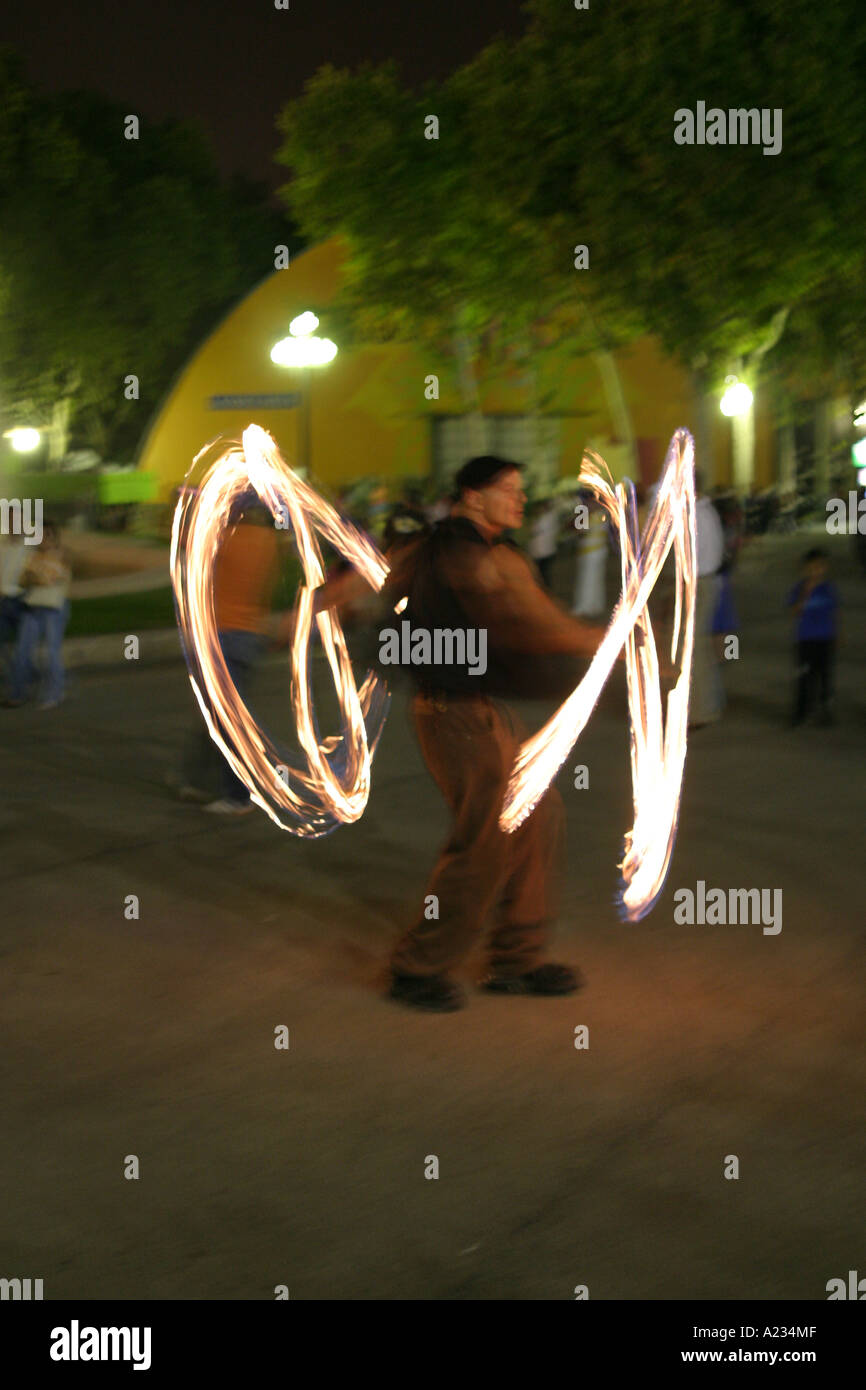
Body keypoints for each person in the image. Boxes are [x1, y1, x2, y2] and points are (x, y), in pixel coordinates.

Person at [317, 455, 610, 1012]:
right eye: (508, 490)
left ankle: (515, 959)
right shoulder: (466, 554)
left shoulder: (457, 546)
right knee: (484, 839)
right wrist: (598, 639)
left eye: (522, 490)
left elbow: (377, 568)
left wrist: (323, 604)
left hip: (483, 712)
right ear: (472, 496)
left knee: (537, 816)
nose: (520, 500)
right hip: (453, 716)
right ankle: (417, 967)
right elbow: (534, 619)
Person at [178, 496, 279, 813]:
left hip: (220, 636)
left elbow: (193, 572)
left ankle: (237, 795)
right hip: (249, 636)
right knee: (218, 713)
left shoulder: (221, 538)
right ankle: (195, 780)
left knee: (227, 720)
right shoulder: (268, 542)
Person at [2, 522, 71, 710]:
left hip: (53, 609)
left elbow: (49, 579)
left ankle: (54, 692)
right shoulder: (33, 556)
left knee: (51, 653)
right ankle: (17, 694)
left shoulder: (62, 555)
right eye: (40, 535)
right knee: (22, 651)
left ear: (55, 538)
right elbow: (24, 580)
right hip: (32, 607)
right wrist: (36, 575)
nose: (43, 539)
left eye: (48, 535)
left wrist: (36, 574)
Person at [787, 548, 839, 726]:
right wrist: (805, 593)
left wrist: (838, 633)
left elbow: (834, 611)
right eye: (812, 567)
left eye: (820, 566)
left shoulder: (828, 589)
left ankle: (825, 710)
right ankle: (801, 711)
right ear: (805, 568)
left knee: (825, 676)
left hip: (825, 639)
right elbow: (795, 611)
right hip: (805, 640)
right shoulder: (799, 588)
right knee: (804, 676)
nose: (816, 570)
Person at [691, 473, 725, 728]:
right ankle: (708, 705)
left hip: (700, 584)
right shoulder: (708, 512)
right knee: (698, 648)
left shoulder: (697, 516)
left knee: (696, 649)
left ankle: (702, 710)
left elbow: (690, 557)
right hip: (708, 581)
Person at [571, 493, 608, 618]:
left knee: (586, 580)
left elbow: (579, 530)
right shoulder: (602, 511)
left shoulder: (586, 511)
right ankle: (595, 605)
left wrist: (579, 515)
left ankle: (584, 607)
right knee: (596, 580)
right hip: (599, 550)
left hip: (589, 551)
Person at [527, 496, 560, 588]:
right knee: (544, 572)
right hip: (547, 550)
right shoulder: (550, 517)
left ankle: (544, 590)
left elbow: (534, 530)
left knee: (542, 573)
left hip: (543, 551)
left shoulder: (545, 518)